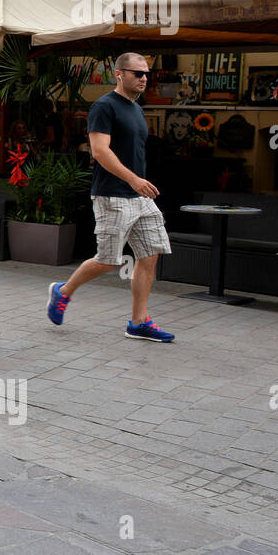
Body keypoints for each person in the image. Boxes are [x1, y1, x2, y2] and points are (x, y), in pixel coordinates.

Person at [47, 52, 174, 341]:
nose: (144, 78)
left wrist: (139, 184)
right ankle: (62, 291)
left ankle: (138, 322)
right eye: (137, 73)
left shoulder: (136, 109)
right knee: (108, 260)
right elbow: (100, 151)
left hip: (140, 197)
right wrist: (133, 179)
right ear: (119, 74)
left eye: (146, 74)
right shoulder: (105, 107)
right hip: (112, 195)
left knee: (150, 254)